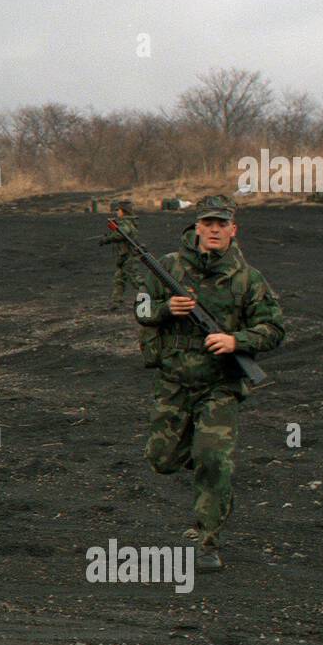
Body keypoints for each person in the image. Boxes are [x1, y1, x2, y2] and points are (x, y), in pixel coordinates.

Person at [134, 194, 285, 571]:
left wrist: (238, 341)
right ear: (196, 228)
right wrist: (166, 309)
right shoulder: (168, 267)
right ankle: (206, 466)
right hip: (174, 381)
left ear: (233, 230)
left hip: (220, 385)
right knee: (161, 459)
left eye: (221, 224)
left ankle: (207, 539)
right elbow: (141, 309)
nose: (214, 230)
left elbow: (274, 328)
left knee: (214, 459)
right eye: (208, 224)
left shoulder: (248, 279)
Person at [99, 199, 139, 308]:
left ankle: (151, 296)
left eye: (119, 210)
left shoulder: (126, 223)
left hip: (129, 255)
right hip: (124, 255)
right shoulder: (127, 222)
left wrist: (107, 239)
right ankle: (116, 302)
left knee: (135, 280)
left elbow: (121, 234)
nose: (117, 212)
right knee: (119, 278)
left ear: (124, 211)